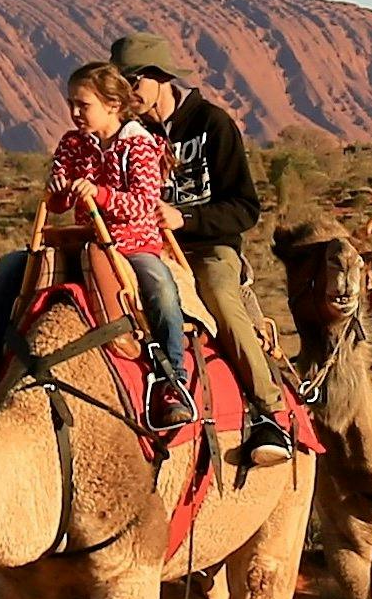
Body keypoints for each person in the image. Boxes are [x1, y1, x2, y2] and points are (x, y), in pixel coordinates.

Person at [112, 29, 294, 463]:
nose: (126, 92)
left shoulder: (212, 124)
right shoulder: (125, 134)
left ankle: (269, 412)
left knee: (218, 294)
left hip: (209, 248)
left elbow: (245, 208)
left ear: (161, 77)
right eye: (118, 84)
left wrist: (186, 219)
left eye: (133, 81)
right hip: (145, 246)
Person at [34, 59, 197, 446]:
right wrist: (59, 191)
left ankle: (172, 379)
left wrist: (101, 195)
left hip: (133, 244)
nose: (75, 112)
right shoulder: (72, 143)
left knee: (160, 286)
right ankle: (1, 359)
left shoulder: (138, 144)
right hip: (85, 242)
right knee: (13, 269)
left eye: (83, 105)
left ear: (113, 105)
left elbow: (144, 202)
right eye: (71, 104)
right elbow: (58, 202)